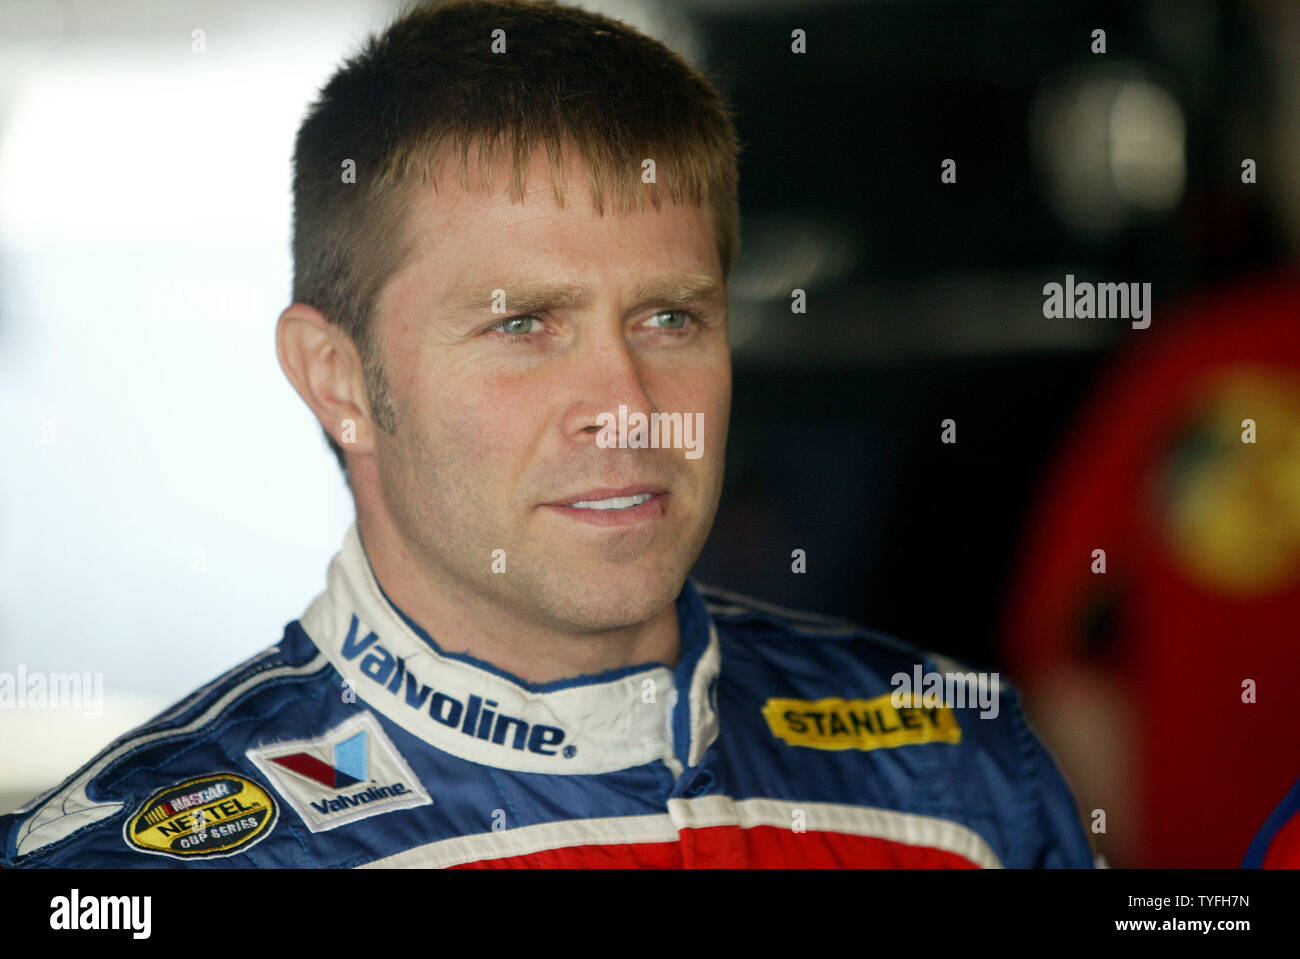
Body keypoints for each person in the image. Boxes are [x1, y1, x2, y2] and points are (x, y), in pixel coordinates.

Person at [0, 0, 1093, 868]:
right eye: (523, 324)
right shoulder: (146, 864)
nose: (625, 399)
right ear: (337, 379)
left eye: (669, 316)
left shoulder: (959, 771)